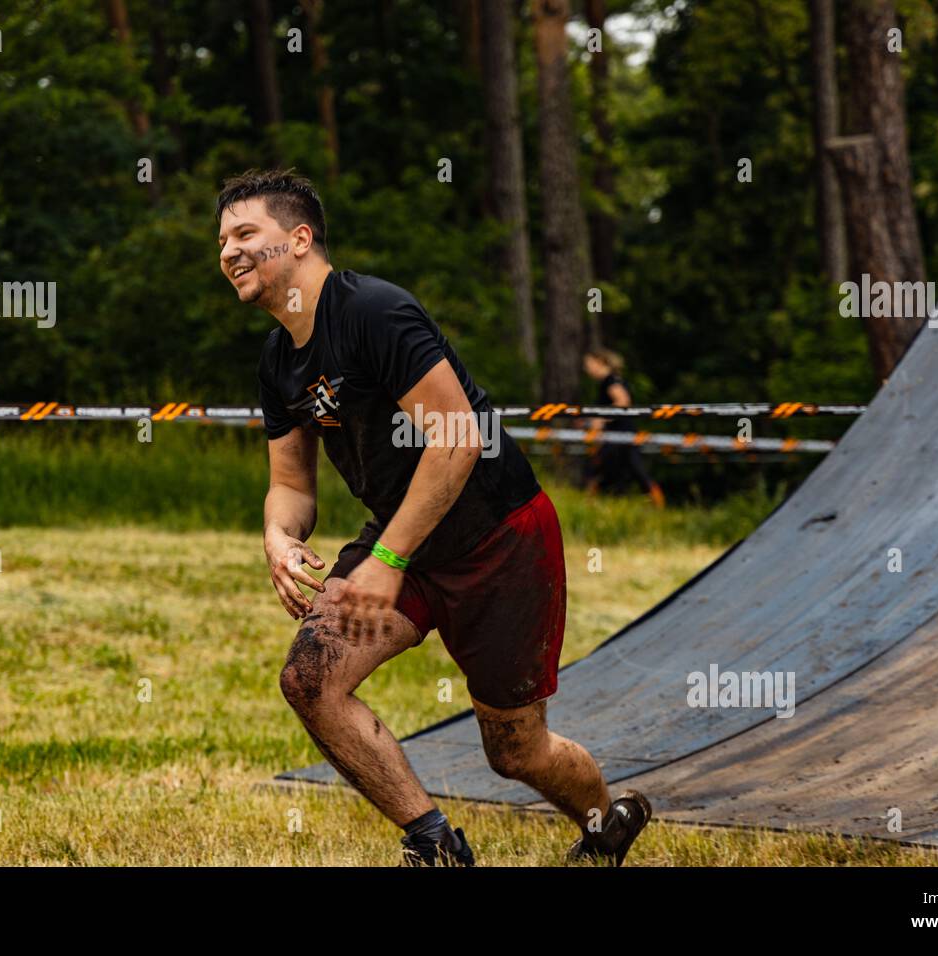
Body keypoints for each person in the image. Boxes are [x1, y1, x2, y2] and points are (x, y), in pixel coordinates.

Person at [219, 168, 651, 866]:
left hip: (500, 536)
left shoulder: (375, 313)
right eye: (222, 241)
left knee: (516, 750)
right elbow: (291, 485)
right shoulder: (278, 363)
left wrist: (388, 561)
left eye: (246, 234)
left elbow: (457, 438)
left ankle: (606, 824)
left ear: (299, 239)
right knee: (310, 679)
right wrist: (278, 534)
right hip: (407, 536)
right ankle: (436, 844)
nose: (229, 252)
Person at [581, 350, 665, 508]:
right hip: (623, 435)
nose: (586, 369)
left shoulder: (610, 381)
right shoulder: (610, 380)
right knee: (630, 471)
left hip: (620, 435)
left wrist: (601, 419)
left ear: (599, 362)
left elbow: (623, 401)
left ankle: (587, 505)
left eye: (588, 364)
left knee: (595, 468)